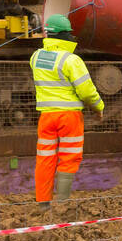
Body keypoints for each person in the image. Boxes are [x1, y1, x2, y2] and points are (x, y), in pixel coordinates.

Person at [30, 14, 104, 205]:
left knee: (45, 159)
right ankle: (62, 203)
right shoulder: (71, 60)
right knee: (69, 157)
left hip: (46, 117)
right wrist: (98, 108)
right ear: (65, 34)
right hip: (69, 117)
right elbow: (86, 92)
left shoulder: (36, 57)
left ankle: (43, 203)